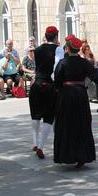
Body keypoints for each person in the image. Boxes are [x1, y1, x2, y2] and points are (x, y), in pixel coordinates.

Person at [53, 36, 98, 168]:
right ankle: (82, 155)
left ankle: (67, 155)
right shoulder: (85, 63)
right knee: (82, 124)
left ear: (67, 49)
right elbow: (96, 77)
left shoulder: (63, 63)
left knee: (67, 124)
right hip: (80, 94)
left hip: (67, 95)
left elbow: (57, 81)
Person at [29, 26, 64, 159]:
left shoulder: (37, 50)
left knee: (35, 114)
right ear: (55, 36)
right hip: (49, 85)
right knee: (49, 116)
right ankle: (41, 146)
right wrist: (55, 80)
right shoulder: (58, 49)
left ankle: (35, 142)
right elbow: (58, 65)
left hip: (36, 84)